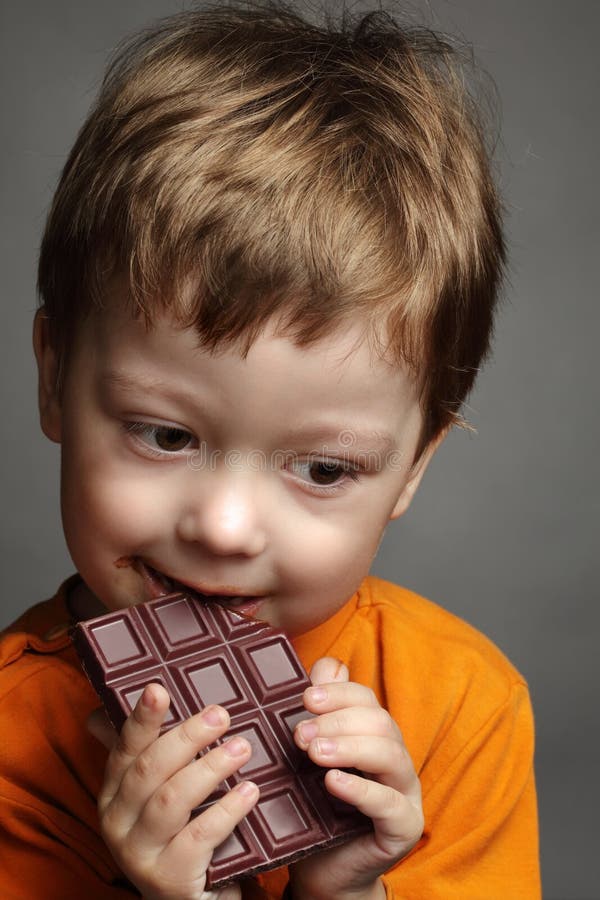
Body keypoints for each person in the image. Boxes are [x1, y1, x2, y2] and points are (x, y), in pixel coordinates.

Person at [0, 2, 541, 898]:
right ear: (54, 379)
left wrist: (349, 890)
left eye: (323, 468)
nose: (224, 528)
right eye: (166, 434)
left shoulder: (461, 705)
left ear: (414, 468)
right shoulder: (16, 738)